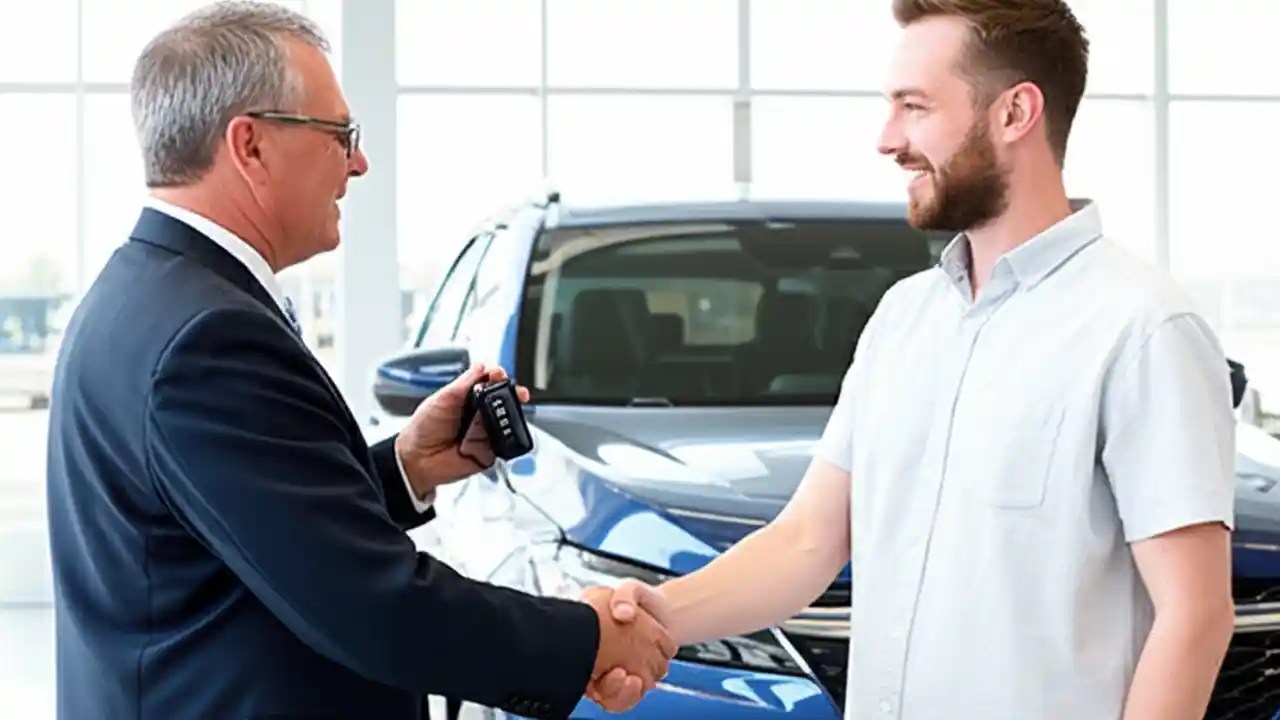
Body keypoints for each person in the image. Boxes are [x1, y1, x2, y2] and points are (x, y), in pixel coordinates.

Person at [588, 1, 1238, 718]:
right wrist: (657, 613)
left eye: (915, 106)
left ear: (1015, 112)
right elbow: (810, 541)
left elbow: (1195, 614)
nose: (888, 139)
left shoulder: (1142, 327)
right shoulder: (905, 316)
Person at [44, 3, 671, 719]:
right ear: (249, 146)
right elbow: (373, 608)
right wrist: (583, 638)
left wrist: (406, 466)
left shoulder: (145, 293)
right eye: (341, 134)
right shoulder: (210, 336)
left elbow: (252, 525)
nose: (359, 161)